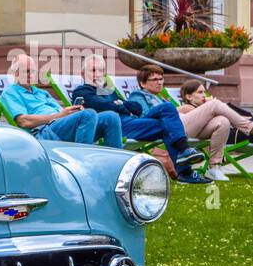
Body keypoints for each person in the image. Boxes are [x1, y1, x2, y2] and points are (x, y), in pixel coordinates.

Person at [70, 58, 210, 184]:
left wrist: (120, 105)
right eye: (93, 70)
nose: (97, 74)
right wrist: (120, 106)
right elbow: (106, 106)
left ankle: (185, 169)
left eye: (101, 71)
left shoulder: (108, 91)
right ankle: (184, 156)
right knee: (166, 111)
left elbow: (135, 108)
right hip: (116, 126)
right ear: (83, 74)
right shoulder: (81, 91)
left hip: (132, 122)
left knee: (166, 121)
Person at [0, 54, 122, 147]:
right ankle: (82, 162)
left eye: (33, 71)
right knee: (88, 114)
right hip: (44, 133)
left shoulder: (42, 93)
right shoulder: (11, 93)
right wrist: (60, 115)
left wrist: (71, 112)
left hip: (61, 125)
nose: (31, 75)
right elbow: (24, 121)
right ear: (16, 73)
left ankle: (117, 166)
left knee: (111, 117)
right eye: (27, 71)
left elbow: (60, 112)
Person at [173, 79, 253, 181]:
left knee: (223, 121)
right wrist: (212, 105)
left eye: (204, 92)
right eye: (200, 92)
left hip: (197, 132)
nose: (204, 95)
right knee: (215, 104)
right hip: (182, 131)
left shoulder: (203, 111)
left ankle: (214, 168)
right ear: (189, 96)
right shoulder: (186, 108)